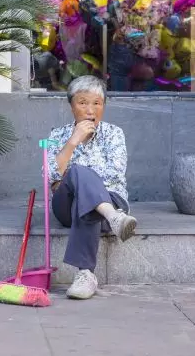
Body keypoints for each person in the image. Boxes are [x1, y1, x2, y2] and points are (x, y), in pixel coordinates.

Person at [44, 75, 137, 300]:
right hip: (67, 206)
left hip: (111, 198)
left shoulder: (114, 134)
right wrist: (73, 141)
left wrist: (69, 176)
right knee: (78, 174)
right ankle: (114, 218)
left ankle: (85, 274)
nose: (90, 110)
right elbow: (49, 176)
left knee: (82, 195)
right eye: (83, 102)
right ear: (71, 105)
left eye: (97, 103)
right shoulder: (57, 135)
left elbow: (115, 174)